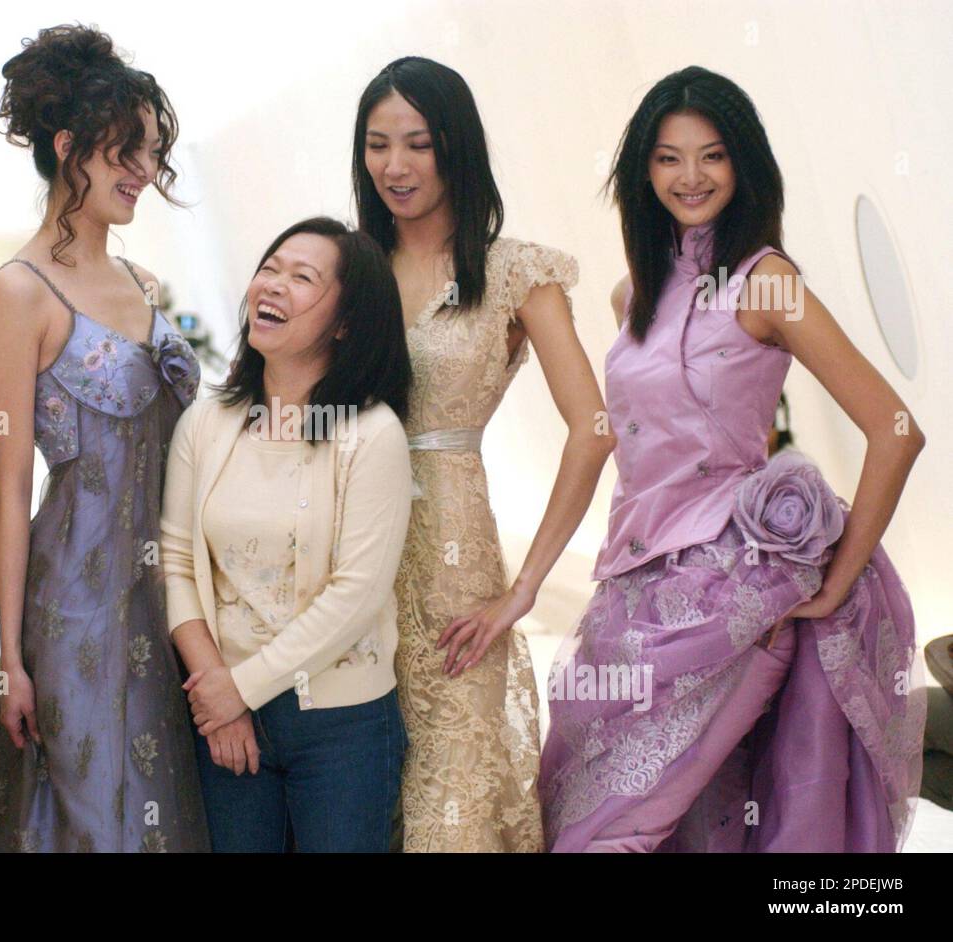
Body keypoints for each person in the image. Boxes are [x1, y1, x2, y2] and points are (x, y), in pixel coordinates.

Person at [539, 65, 926, 852]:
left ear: (743, 164)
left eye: (712, 155)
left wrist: (837, 580)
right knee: (681, 825)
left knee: (612, 834)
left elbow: (895, 428)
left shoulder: (766, 281)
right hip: (629, 590)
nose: (690, 176)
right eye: (668, 157)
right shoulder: (630, 295)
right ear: (642, 171)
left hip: (729, 594)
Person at [353, 56, 614, 851]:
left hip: (450, 571)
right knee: (365, 802)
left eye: (419, 143)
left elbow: (594, 427)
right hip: (346, 560)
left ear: (455, 147)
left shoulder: (514, 272)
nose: (395, 166)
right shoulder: (347, 266)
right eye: (376, 144)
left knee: (450, 803)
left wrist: (523, 591)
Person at [0, 24, 207, 853]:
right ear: (68, 149)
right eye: (125, 151)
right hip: (74, 608)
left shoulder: (143, 282)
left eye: (152, 152)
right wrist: (11, 657)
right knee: (96, 818)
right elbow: (9, 489)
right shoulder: (19, 293)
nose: (144, 171)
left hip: (169, 602)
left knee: (168, 814)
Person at [162, 217, 414, 852]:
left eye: (302, 278)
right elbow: (175, 561)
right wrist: (219, 692)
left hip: (342, 725)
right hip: (225, 717)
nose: (272, 286)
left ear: (346, 322)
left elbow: (357, 594)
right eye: (269, 268)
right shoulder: (208, 418)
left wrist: (237, 690)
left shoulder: (372, 432)